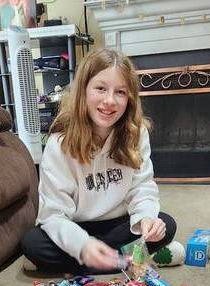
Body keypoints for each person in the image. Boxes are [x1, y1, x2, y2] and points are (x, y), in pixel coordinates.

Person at [21, 48, 183, 273]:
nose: (109, 101)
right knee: (33, 243)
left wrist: (146, 219)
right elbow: (53, 215)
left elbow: (142, 187)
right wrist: (83, 245)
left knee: (166, 223)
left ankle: (98, 262)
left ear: (130, 98)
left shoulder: (136, 134)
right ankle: (135, 260)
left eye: (120, 92)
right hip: (76, 226)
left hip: (119, 224)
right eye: (100, 88)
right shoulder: (58, 144)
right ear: (83, 91)